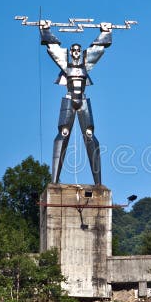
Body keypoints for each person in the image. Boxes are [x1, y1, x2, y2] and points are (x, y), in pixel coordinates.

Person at [39, 20, 113, 185]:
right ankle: (54, 181)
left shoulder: (85, 63)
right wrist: (45, 29)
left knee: (89, 135)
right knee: (63, 133)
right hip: (69, 100)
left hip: (83, 100)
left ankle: (98, 184)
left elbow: (98, 49)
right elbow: (53, 48)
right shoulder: (65, 63)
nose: (76, 53)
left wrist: (105, 32)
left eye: (78, 50)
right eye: (73, 50)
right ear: (70, 52)